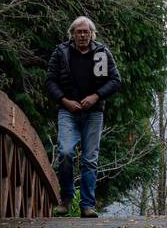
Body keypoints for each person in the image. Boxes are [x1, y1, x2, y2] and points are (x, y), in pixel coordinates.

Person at [44, 16, 122, 216]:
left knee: (89, 159)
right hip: (67, 111)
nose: (82, 35)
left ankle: (87, 206)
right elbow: (50, 81)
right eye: (78, 32)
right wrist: (64, 100)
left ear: (91, 34)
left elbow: (115, 80)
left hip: (93, 113)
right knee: (66, 152)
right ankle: (66, 198)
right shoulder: (61, 52)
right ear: (72, 34)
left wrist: (96, 96)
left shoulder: (101, 53)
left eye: (86, 32)